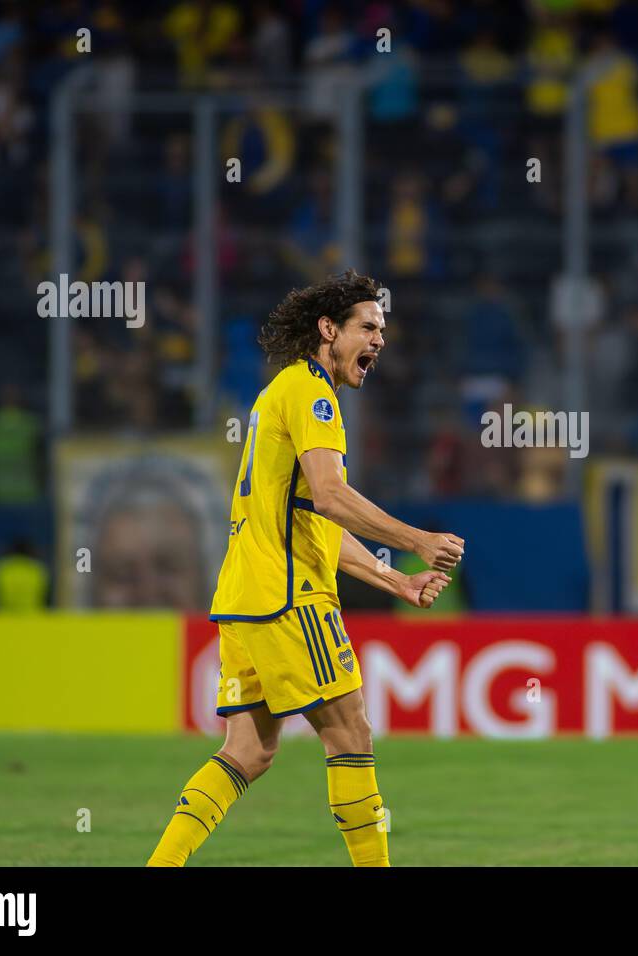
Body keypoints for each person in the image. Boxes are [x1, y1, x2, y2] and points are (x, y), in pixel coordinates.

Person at [147, 271, 464, 868]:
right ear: (328, 330)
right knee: (351, 735)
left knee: (249, 751)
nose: (380, 339)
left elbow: (313, 521)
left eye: (383, 330)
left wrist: (395, 579)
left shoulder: (281, 392)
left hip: (246, 596)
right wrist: (418, 540)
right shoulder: (313, 394)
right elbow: (330, 496)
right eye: (368, 327)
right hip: (291, 598)